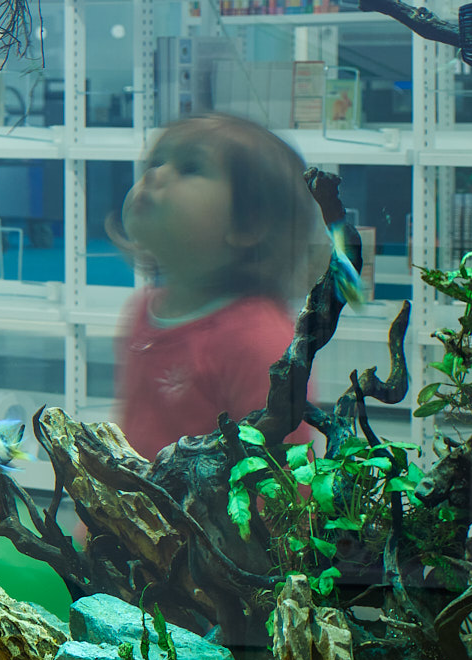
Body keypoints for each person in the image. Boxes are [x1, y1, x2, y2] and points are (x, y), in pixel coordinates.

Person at [110, 110, 325, 458]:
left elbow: (282, 479)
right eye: (156, 161)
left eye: (190, 167)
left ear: (249, 223)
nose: (155, 175)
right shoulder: (143, 310)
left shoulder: (259, 342)